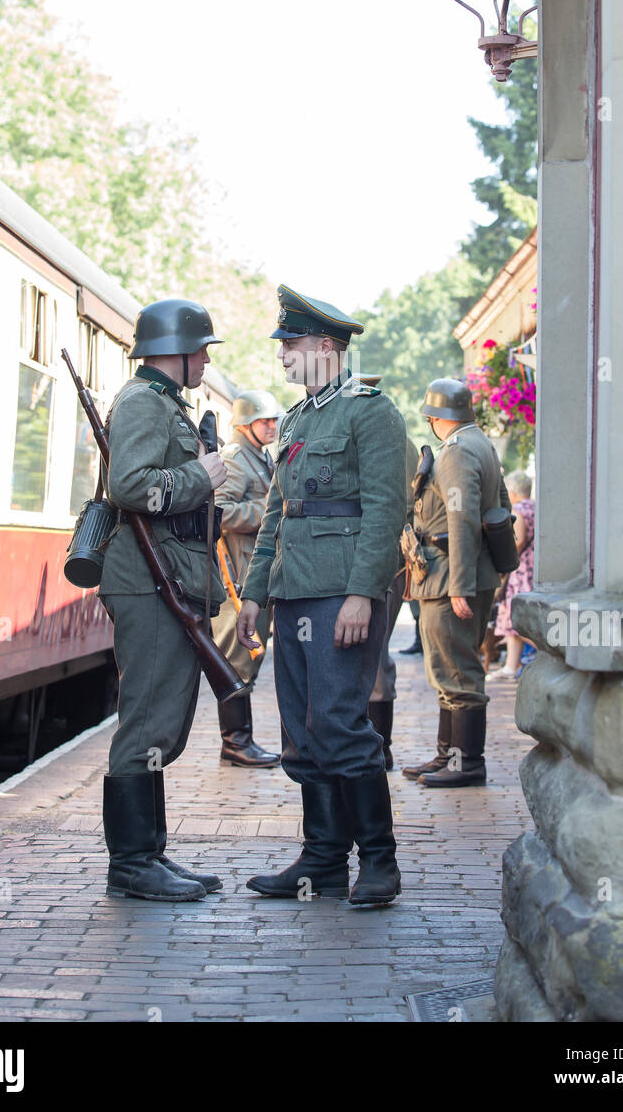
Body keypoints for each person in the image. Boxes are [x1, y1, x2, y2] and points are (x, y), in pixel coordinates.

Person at [236, 285, 407, 906]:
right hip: (294, 593)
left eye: (293, 343)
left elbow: (387, 511)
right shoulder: (299, 421)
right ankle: (323, 860)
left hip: (342, 593)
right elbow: (279, 513)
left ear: (329, 346)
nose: (282, 354)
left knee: (339, 722)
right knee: (302, 732)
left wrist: (365, 593)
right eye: (282, 344)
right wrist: (256, 592)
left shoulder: (371, 412)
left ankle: (379, 863)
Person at [97, 298, 229, 902]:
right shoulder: (144, 403)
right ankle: (130, 864)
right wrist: (204, 476)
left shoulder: (166, 404)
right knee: (148, 720)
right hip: (148, 581)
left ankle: (149, 853)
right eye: (200, 349)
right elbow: (129, 485)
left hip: (167, 575)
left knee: (164, 720)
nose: (205, 359)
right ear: (173, 352)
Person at [401, 377, 511, 789]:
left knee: (457, 673)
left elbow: (461, 518)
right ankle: (448, 755)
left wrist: (460, 584)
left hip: (451, 575)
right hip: (458, 571)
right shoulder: (479, 442)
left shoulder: (458, 451)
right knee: (446, 669)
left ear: (433, 417)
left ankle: (467, 763)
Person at [214, 389, 284, 766]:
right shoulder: (236, 458)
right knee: (237, 660)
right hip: (238, 578)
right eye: (264, 420)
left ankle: (240, 742)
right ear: (245, 424)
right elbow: (220, 513)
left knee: (248, 660)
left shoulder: (258, 455)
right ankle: (235, 744)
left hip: (254, 573)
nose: (272, 426)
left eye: (274, 419)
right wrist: (272, 509)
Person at [356, 374, 419, 770]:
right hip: (378, 555)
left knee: (373, 652)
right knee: (367, 651)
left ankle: (379, 748)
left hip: (381, 556)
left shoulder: (380, 436)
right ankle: (374, 745)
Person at [487, 470, 535, 682]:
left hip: (521, 568)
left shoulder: (520, 509)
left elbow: (519, 540)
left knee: (515, 618)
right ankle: (510, 666)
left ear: (513, 492)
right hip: (532, 566)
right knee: (515, 618)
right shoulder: (536, 506)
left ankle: (546, 649)